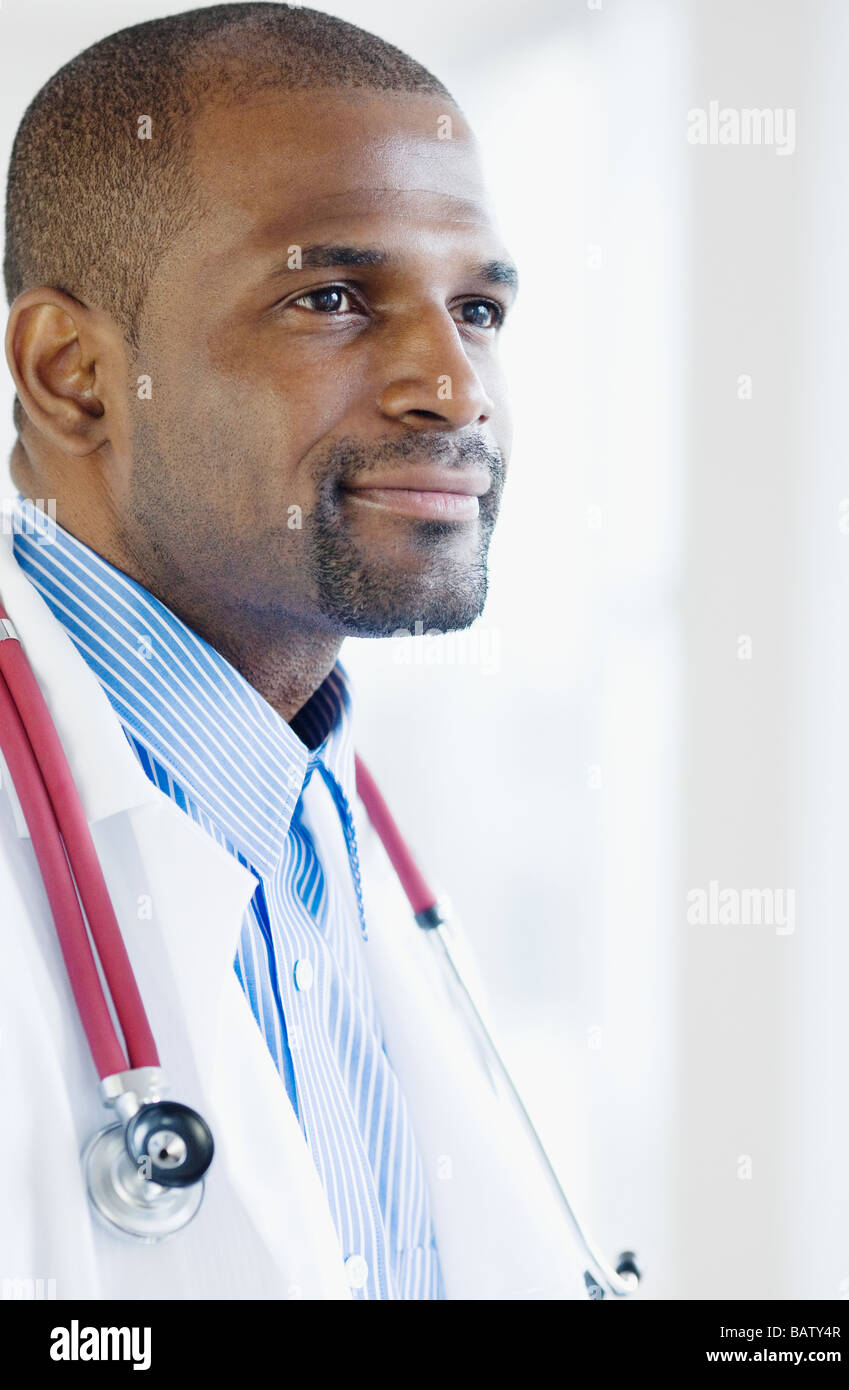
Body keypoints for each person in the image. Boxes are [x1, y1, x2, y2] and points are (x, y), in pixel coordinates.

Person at [0, 3, 591, 1300]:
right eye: (330, 296)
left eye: (479, 307)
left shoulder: (333, 833)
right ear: (72, 375)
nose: (454, 385)